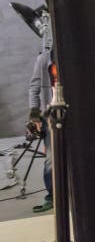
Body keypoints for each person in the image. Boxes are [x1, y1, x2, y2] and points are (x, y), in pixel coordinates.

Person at [28, 47, 53, 213]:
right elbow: (34, 89)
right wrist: (35, 117)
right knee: (51, 159)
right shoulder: (44, 59)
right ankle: (53, 196)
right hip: (50, 116)